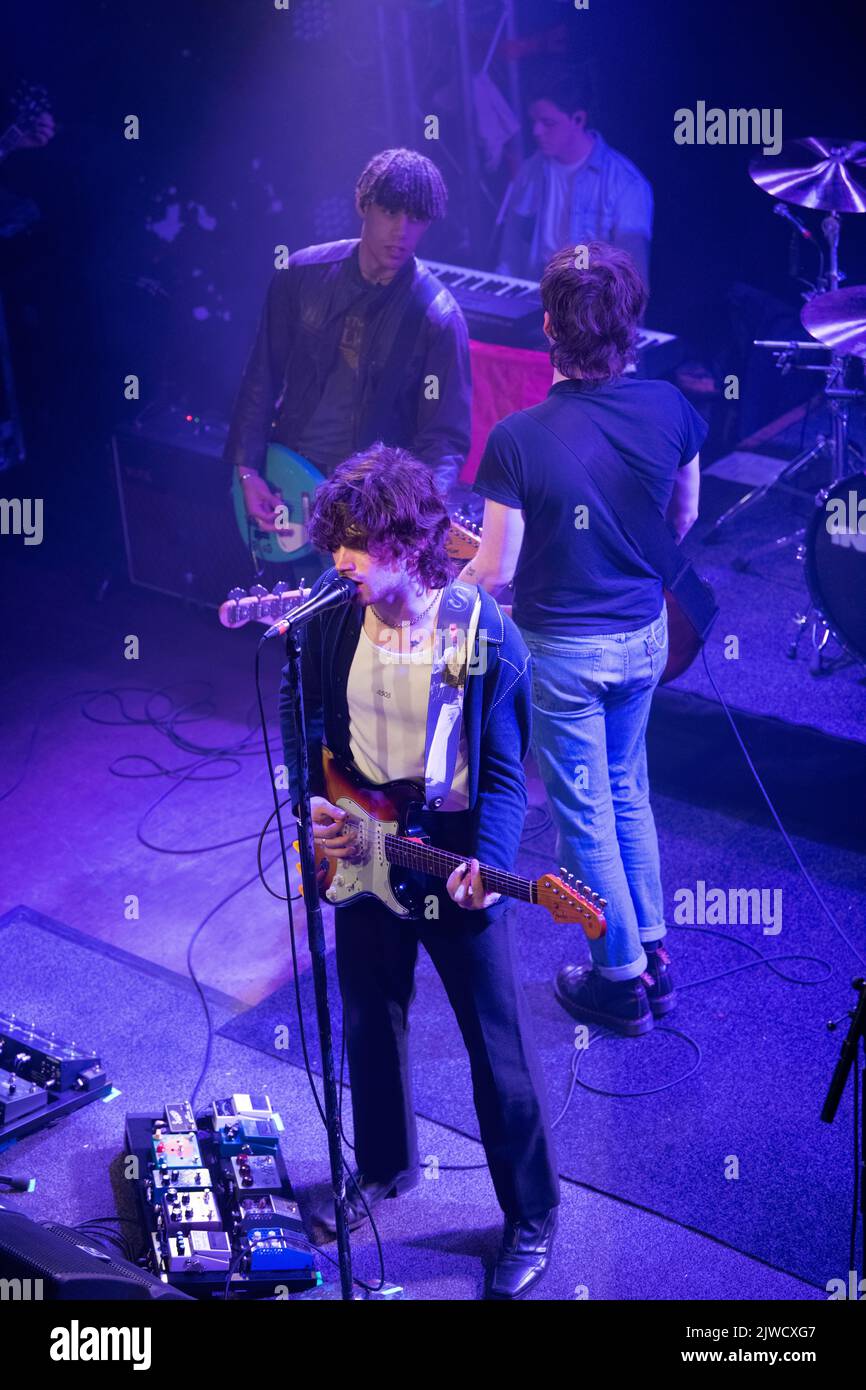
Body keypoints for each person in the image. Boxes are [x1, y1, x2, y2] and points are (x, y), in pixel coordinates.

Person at [279, 444, 559, 1299]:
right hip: (359, 845)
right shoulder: (329, 622)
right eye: (334, 544)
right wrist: (313, 808)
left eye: (355, 544)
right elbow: (307, 727)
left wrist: (491, 864)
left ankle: (531, 1214)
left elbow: (507, 771)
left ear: (405, 543)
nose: (339, 562)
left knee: (494, 1044)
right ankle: (384, 1167)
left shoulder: (478, 632)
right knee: (368, 1015)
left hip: (450, 847)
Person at [460, 242, 706, 1036]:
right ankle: (655, 957)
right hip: (642, 639)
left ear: (546, 328)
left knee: (583, 814)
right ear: (631, 326)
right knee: (629, 791)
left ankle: (619, 978)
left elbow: (495, 570)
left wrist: (442, 598)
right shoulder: (671, 406)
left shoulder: (518, 437)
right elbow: (684, 519)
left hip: (562, 655)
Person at [224, 148, 471, 585]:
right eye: (390, 212)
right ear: (363, 205)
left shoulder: (437, 316)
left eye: (416, 218)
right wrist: (248, 468)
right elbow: (261, 374)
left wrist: (410, 524)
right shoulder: (300, 275)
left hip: (370, 510)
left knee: (356, 641)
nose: (402, 230)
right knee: (296, 632)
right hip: (289, 481)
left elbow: (445, 438)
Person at [497, 67, 653, 294]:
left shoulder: (626, 185)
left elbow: (634, 285)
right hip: (534, 301)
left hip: (590, 314)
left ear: (578, 119)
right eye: (534, 121)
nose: (537, 131)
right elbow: (510, 256)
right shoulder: (529, 172)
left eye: (548, 123)